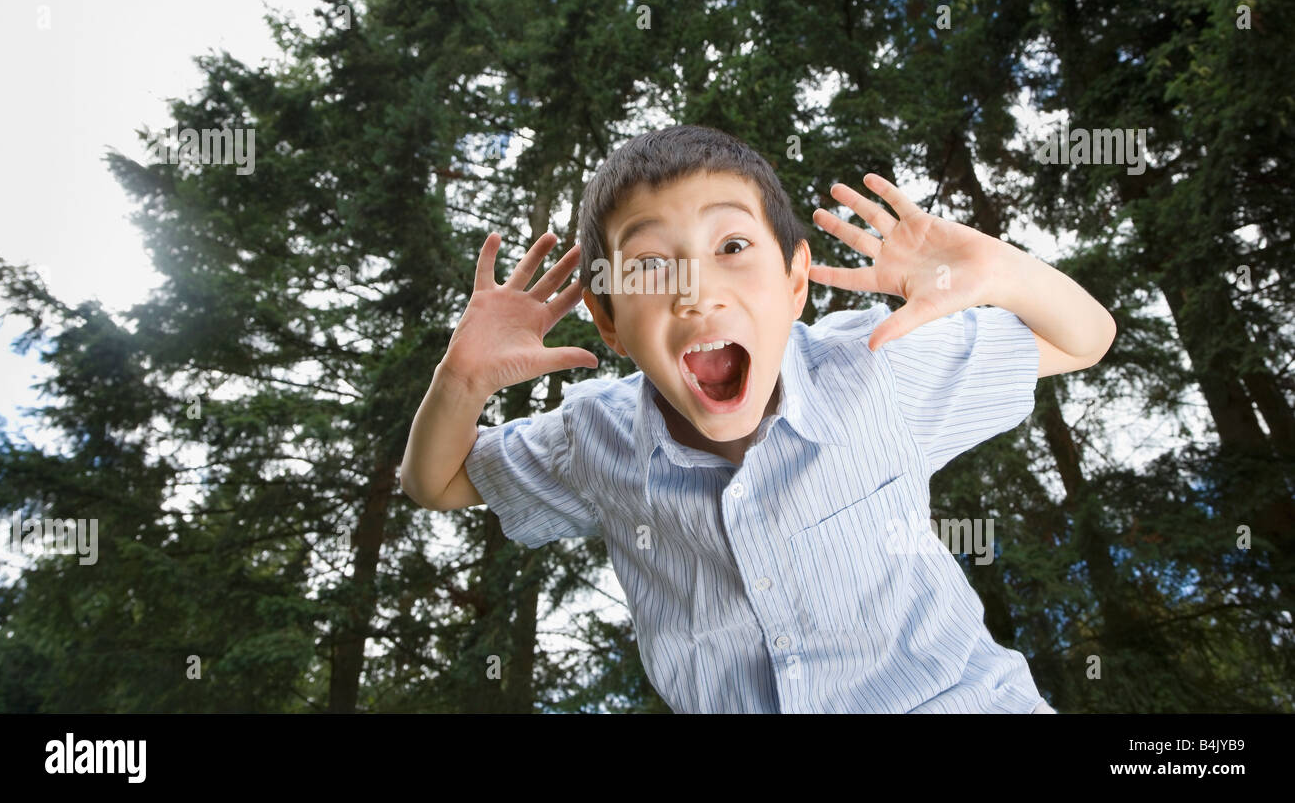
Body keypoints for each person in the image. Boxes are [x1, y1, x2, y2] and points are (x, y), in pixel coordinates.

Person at [402, 124, 1114, 713]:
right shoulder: (596, 439)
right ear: (610, 323)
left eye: (733, 248)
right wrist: (461, 379)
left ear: (795, 281)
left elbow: (1086, 338)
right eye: (650, 266)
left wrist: (999, 272)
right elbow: (433, 483)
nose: (698, 293)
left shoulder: (876, 368)